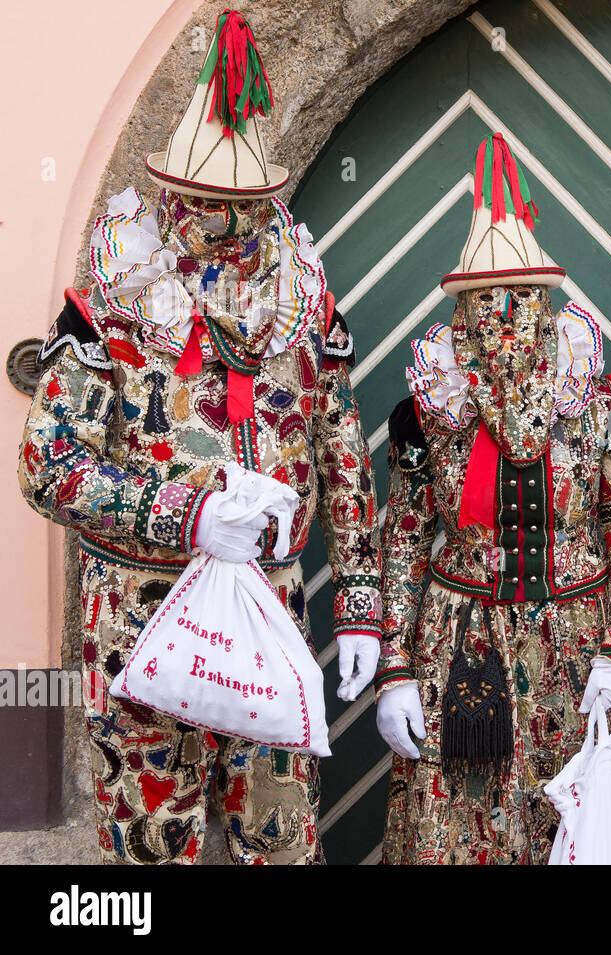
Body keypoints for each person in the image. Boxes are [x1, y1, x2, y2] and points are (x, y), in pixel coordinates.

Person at [17, 10, 380, 864]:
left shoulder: (301, 298)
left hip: (268, 621)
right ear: (172, 191)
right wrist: (184, 516)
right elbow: (47, 467)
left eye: (242, 206)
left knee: (282, 844)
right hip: (139, 634)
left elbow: (345, 455)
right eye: (208, 204)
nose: (224, 223)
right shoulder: (113, 295)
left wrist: (360, 608)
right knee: (146, 857)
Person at [373, 134, 611, 864]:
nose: (505, 316)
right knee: (463, 832)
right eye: (487, 302)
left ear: (548, 298)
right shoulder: (428, 408)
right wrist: (395, 668)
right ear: (462, 309)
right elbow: (403, 538)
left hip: (579, 644)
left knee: (574, 821)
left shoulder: (601, 401)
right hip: (460, 645)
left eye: (523, 298)